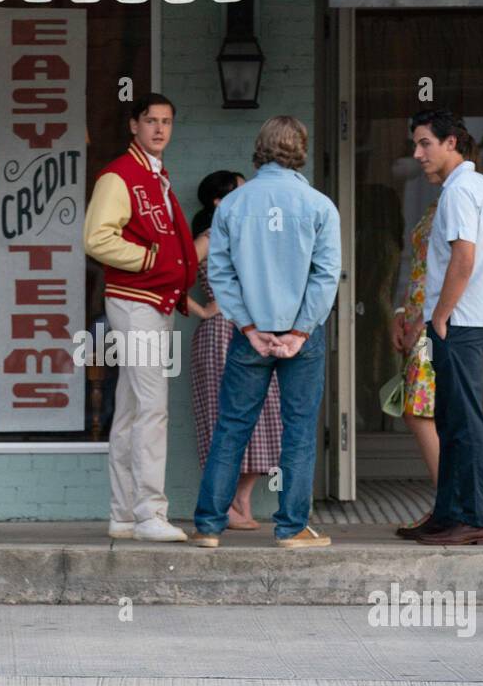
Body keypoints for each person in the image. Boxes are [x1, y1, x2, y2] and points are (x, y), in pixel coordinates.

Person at [192, 116, 341, 548]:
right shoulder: (319, 205)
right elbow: (326, 276)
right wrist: (298, 332)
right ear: (301, 150)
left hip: (249, 335)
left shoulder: (234, 206)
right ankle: (292, 529)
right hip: (302, 337)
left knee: (231, 426)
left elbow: (220, 273)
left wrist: (251, 327)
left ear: (259, 149)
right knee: (298, 429)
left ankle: (208, 526)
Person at [84, 93, 198, 542]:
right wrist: (150, 259)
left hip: (154, 301)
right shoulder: (120, 175)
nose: (159, 129)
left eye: (167, 122)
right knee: (152, 408)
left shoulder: (155, 176)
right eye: (151, 121)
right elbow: (96, 238)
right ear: (134, 125)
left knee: (132, 410)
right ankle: (150, 512)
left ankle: (124, 514)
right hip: (135, 300)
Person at [407, 109, 483, 545]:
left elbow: (463, 257)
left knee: (464, 421)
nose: (417, 153)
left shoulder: (461, 190)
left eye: (426, 143)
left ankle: (475, 518)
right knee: (450, 419)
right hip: (464, 320)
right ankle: (448, 514)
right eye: (416, 144)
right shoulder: (472, 186)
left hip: (460, 322)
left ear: (452, 143)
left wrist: (441, 315)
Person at [188, 170, 283, 531]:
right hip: (220, 335)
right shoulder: (209, 238)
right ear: (219, 201)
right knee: (222, 414)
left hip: (257, 331)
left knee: (268, 415)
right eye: (241, 192)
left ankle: (242, 500)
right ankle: (223, 503)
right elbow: (171, 276)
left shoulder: (249, 236)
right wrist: (203, 309)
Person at [391, 198, 440, 537]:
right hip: (417, 317)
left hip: (429, 325)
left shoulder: (460, 201)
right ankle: (446, 502)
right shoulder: (435, 205)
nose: (419, 155)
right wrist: (400, 313)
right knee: (421, 410)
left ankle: (448, 503)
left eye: (425, 144)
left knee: (418, 411)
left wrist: (422, 323)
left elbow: (458, 268)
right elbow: (419, 268)